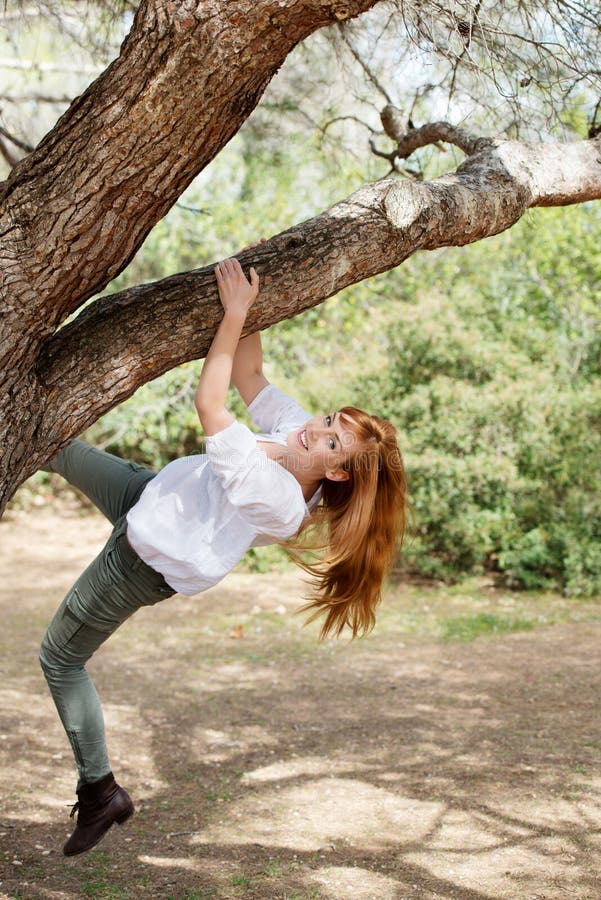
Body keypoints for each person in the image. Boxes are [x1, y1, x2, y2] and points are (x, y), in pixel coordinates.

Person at [39, 256, 408, 857]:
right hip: (151, 494)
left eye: (333, 440)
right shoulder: (297, 430)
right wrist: (259, 282)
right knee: (49, 443)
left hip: (146, 557)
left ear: (338, 470)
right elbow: (249, 374)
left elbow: (212, 404)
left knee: (59, 658)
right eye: (330, 419)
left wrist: (233, 312)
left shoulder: (283, 501)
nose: (318, 429)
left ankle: (100, 788)